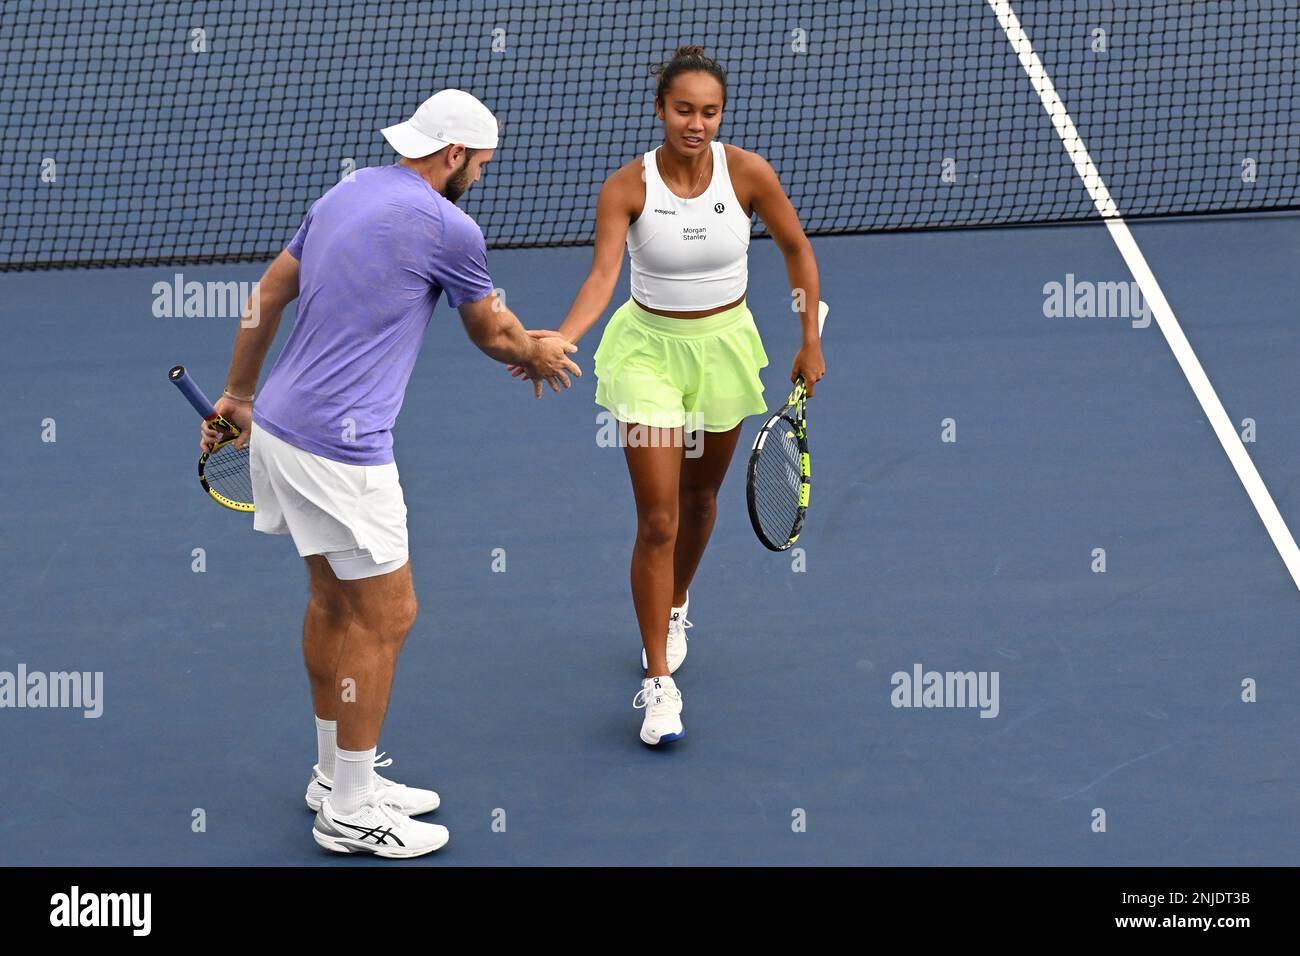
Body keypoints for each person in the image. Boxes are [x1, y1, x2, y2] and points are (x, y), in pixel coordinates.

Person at [202, 89, 580, 857]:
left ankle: (339, 774)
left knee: (334, 601)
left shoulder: (345, 191)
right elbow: (491, 333)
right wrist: (534, 351)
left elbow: (266, 295)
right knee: (388, 614)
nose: (481, 176)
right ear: (452, 157)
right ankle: (347, 810)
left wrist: (238, 392)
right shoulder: (451, 227)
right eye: (481, 165)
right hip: (341, 453)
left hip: (278, 421)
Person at [535, 46, 826, 744]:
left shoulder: (748, 173)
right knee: (659, 518)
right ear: (660, 109)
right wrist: (565, 337)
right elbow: (604, 276)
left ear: (720, 114)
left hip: (725, 350)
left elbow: (796, 248)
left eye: (708, 111)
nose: (695, 123)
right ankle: (658, 686)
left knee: (701, 501)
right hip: (648, 358)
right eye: (682, 109)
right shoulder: (626, 188)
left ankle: (675, 604)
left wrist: (809, 336)